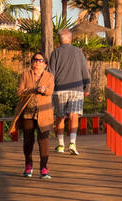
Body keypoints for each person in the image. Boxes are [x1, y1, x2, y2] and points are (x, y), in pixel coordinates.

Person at [48, 28, 91, 156]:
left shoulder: (55, 53)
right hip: (76, 89)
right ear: (71, 39)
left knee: (60, 116)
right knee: (74, 116)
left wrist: (50, 89)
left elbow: (51, 73)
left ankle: (61, 145)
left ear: (59, 40)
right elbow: (85, 71)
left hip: (59, 89)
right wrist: (87, 87)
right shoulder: (78, 52)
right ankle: (72, 143)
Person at [16, 51, 55, 179]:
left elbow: (50, 91)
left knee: (43, 140)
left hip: (44, 113)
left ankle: (44, 167)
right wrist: (33, 90)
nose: (37, 62)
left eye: (40, 60)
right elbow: (20, 92)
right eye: (35, 60)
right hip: (28, 112)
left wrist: (44, 91)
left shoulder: (49, 76)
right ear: (32, 62)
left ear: (45, 64)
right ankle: (28, 165)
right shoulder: (25, 75)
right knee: (28, 140)